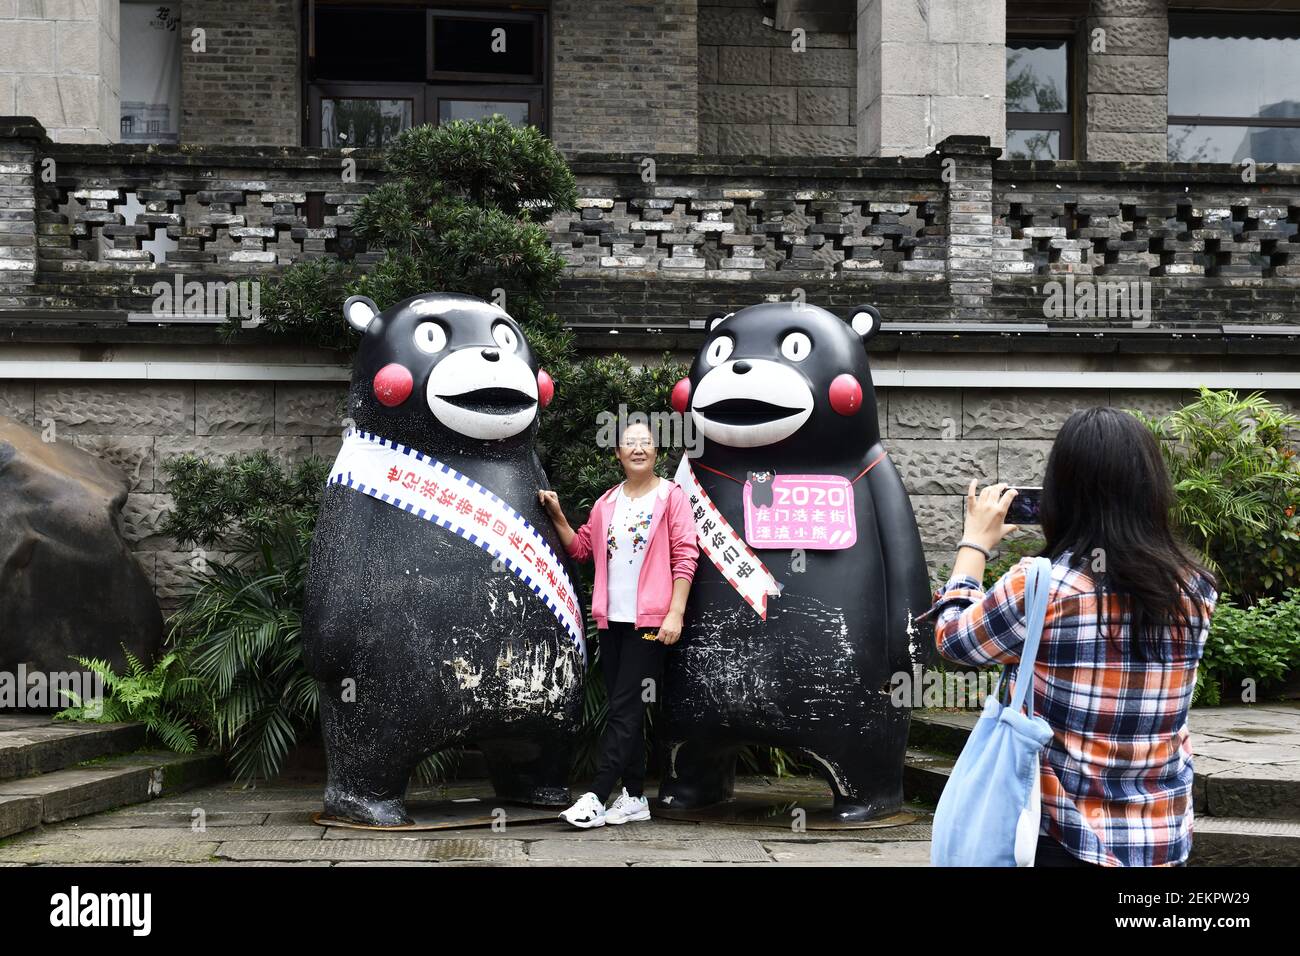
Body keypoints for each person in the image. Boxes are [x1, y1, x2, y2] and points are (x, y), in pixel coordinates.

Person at [928, 407, 1218, 867]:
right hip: (1160, 837)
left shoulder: (1043, 586)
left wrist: (974, 546)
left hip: (1065, 838)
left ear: (1061, 493)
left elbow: (954, 641)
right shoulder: (1195, 587)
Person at [539, 419, 699, 829]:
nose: (638, 449)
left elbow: (685, 556)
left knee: (625, 710)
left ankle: (596, 795)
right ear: (618, 453)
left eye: (646, 442)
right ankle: (633, 797)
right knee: (622, 708)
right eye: (629, 443)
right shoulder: (607, 502)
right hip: (612, 623)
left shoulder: (671, 497)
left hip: (650, 622)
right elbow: (581, 549)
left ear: (656, 453)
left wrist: (675, 612)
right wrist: (557, 515)